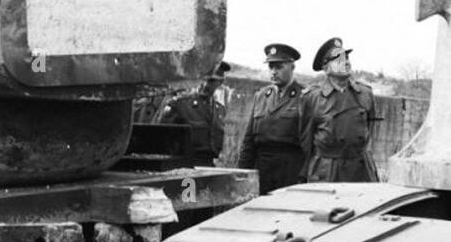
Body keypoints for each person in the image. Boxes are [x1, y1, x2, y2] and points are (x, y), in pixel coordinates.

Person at [300, 38, 379, 183]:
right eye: (338, 59)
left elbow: (370, 130)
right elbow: (305, 142)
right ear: (325, 68)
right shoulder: (312, 98)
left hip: (360, 170)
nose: (346, 62)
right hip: (327, 171)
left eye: (347, 57)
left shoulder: (366, 94)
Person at [239, 43, 305, 193]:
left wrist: (304, 176)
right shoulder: (261, 96)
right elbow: (248, 141)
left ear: (292, 67)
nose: (274, 72)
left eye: (279, 67)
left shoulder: (304, 97)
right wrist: (242, 173)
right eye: (271, 67)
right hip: (262, 170)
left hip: (291, 170)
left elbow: (309, 144)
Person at [158, 61, 229, 165]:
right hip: (185, 165)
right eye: (203, 80)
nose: (205, 85)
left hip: (208, 165)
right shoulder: (180, 104)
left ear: (220, 82)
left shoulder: (220, 110)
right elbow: (162, 136)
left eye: (211, 81)